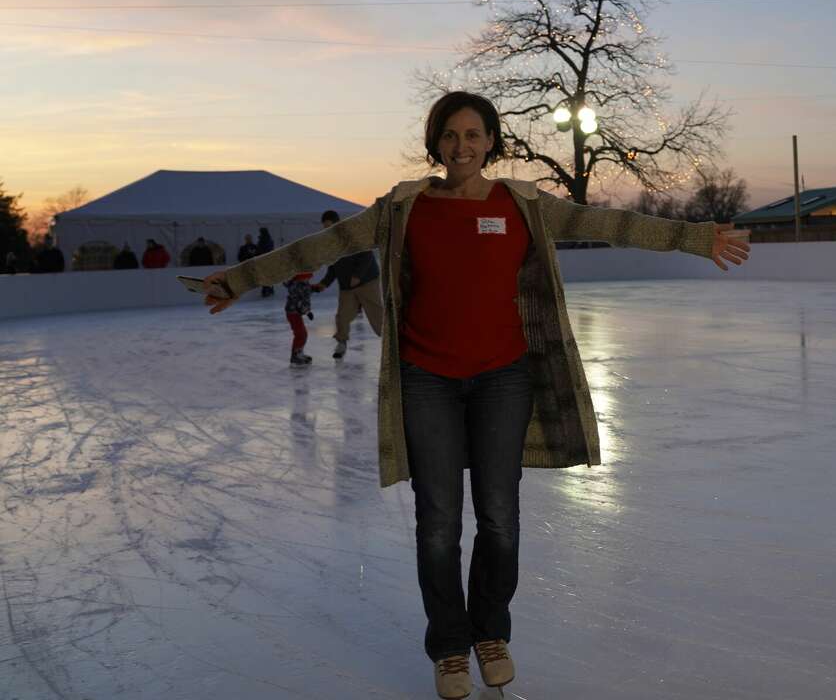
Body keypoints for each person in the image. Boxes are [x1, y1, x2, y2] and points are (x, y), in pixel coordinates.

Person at [202, 90, 751, 700]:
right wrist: (241, 278)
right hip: (427, 378)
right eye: (449, 135)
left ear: (491, 140)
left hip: (503, 378)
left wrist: (696, 237)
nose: (460, 146)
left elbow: (609, 223)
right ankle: (449, 648)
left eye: (472, 135)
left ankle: (491, 634)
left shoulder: (523, 203)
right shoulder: (403, 208)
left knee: (500, 517)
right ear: (434, 143)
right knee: (438, 523)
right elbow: (322, 248)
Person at [314, 209, 383, 359]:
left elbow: (367, 254)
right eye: (325, 227)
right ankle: (341, 343)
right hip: (347, 286)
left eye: (330, 226)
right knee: (342, 316)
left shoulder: (352, 235)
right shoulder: (330, 244)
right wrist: (324, 283)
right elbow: (333, 268)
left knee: (376, 313)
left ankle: (392, 341)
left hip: (367, 281)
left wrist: (358, 275)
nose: (327, 230)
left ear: (337, 223)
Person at [282, 271, 318, 366]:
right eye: (307, 278)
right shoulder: (299, 286)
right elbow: (300, 302)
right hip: (293, 313)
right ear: (301, 277)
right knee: (301, 335)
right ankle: (295, 356)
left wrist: (313, 288)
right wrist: (307, 312)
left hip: (294, 312)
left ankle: (299, 354)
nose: (308, 279)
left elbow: (305, 291)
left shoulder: (300, 284)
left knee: (302, 334)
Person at [256, 227, 275, 297]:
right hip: (269, 260)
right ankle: (270, 289)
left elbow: (259, 250)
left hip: (263, 260)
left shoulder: (262, 240)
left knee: (264, 276)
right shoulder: (270, 240)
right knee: (268, 276)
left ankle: (266, 290)